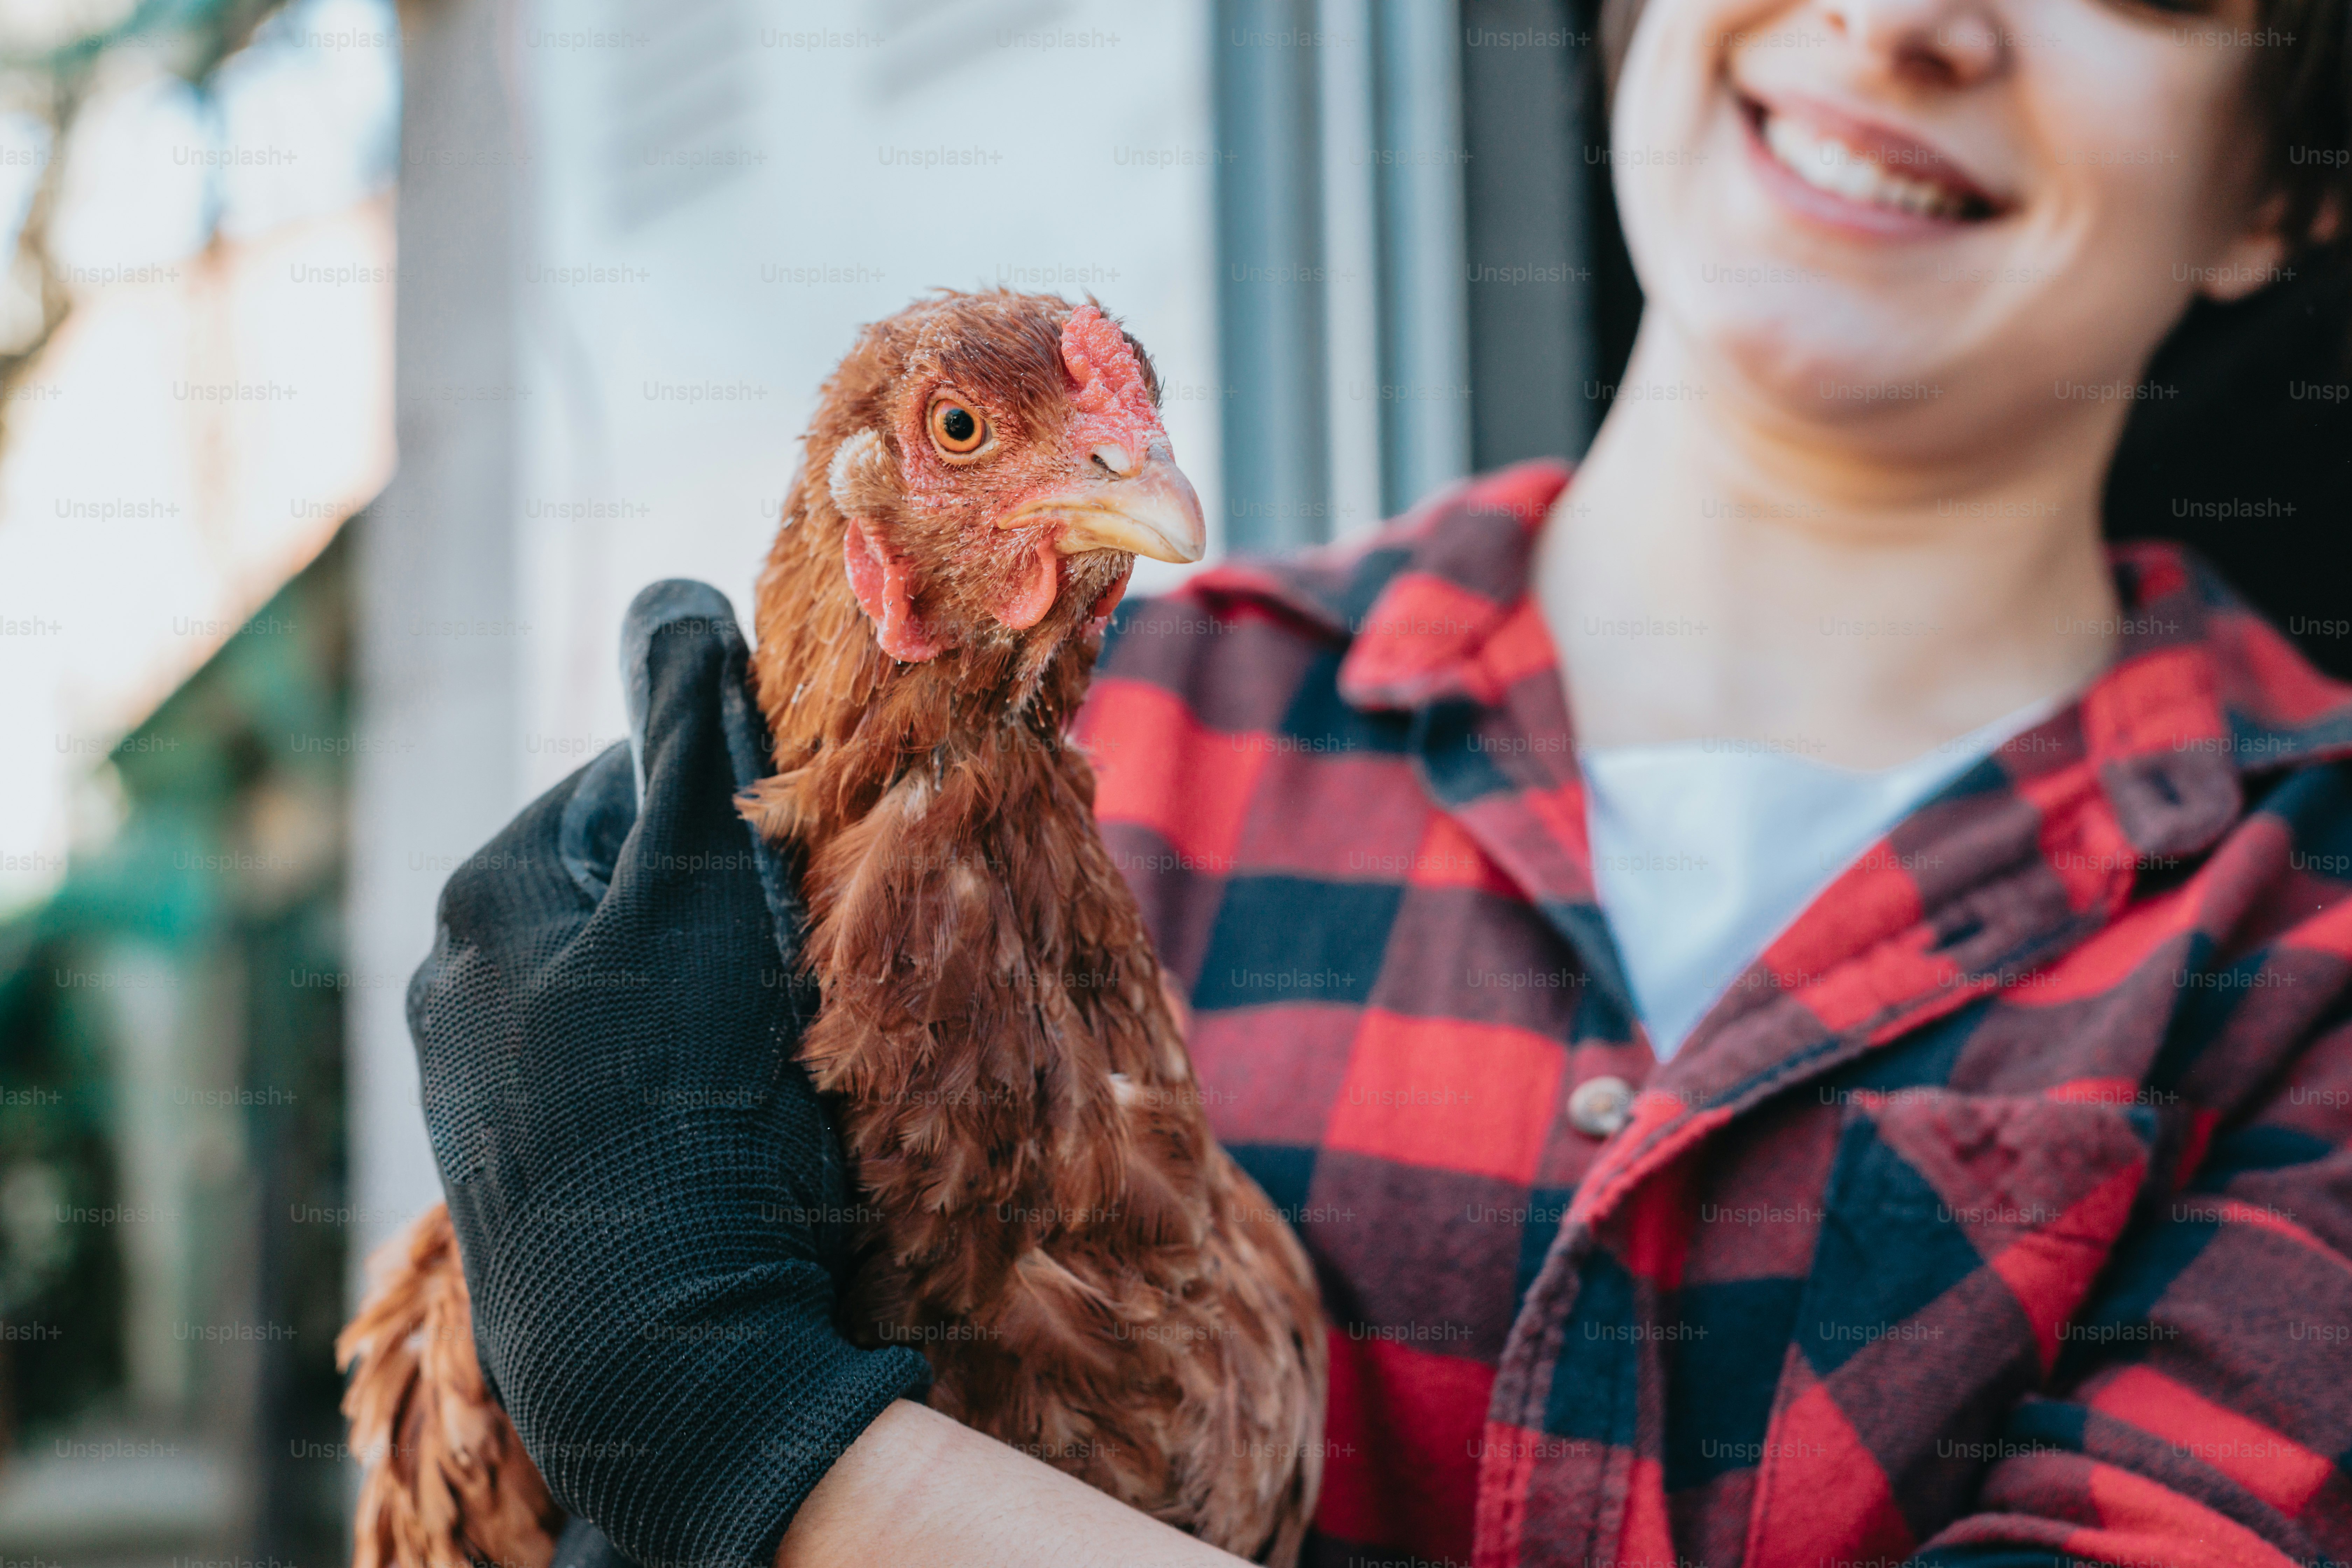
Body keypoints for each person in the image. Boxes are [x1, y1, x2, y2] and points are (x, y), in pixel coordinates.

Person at [413, 0, 2352, 1561]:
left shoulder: (2305, 935)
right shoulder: (1128, 731)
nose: (1912, 19)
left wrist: (773, 1455)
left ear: (2287, 182)